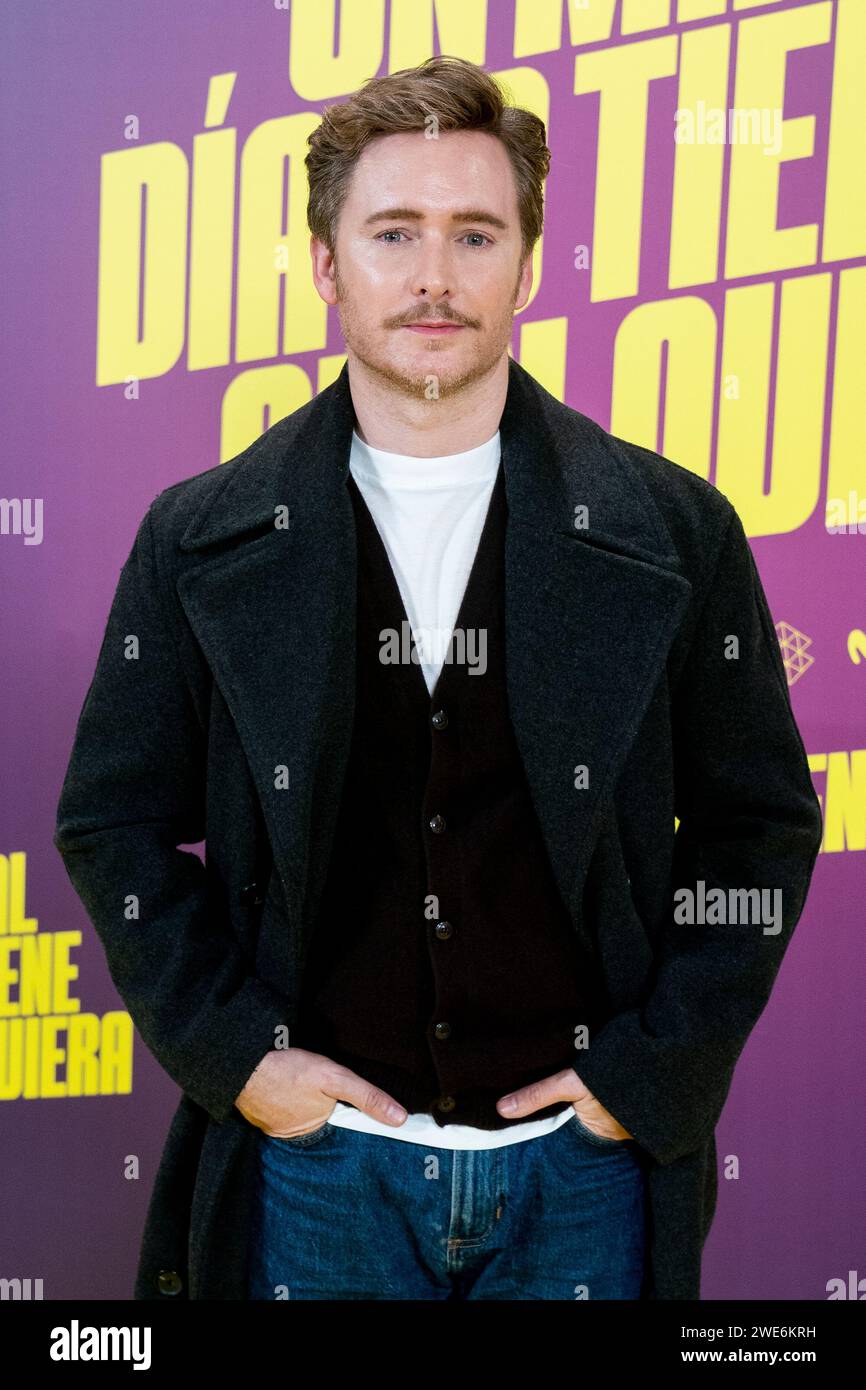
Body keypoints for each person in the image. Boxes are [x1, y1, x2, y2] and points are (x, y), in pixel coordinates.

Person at [54, 55, 823, 1302]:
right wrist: (237, 1058)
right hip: (311, 1172)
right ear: (324, 263)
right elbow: (112, 823)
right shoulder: (199, 535)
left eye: (474, 234)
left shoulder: (672, 530)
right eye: (392, 232)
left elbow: (759, 825)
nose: (431, 276)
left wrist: (650, 1075)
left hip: (582, 1176)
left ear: (526, 265)